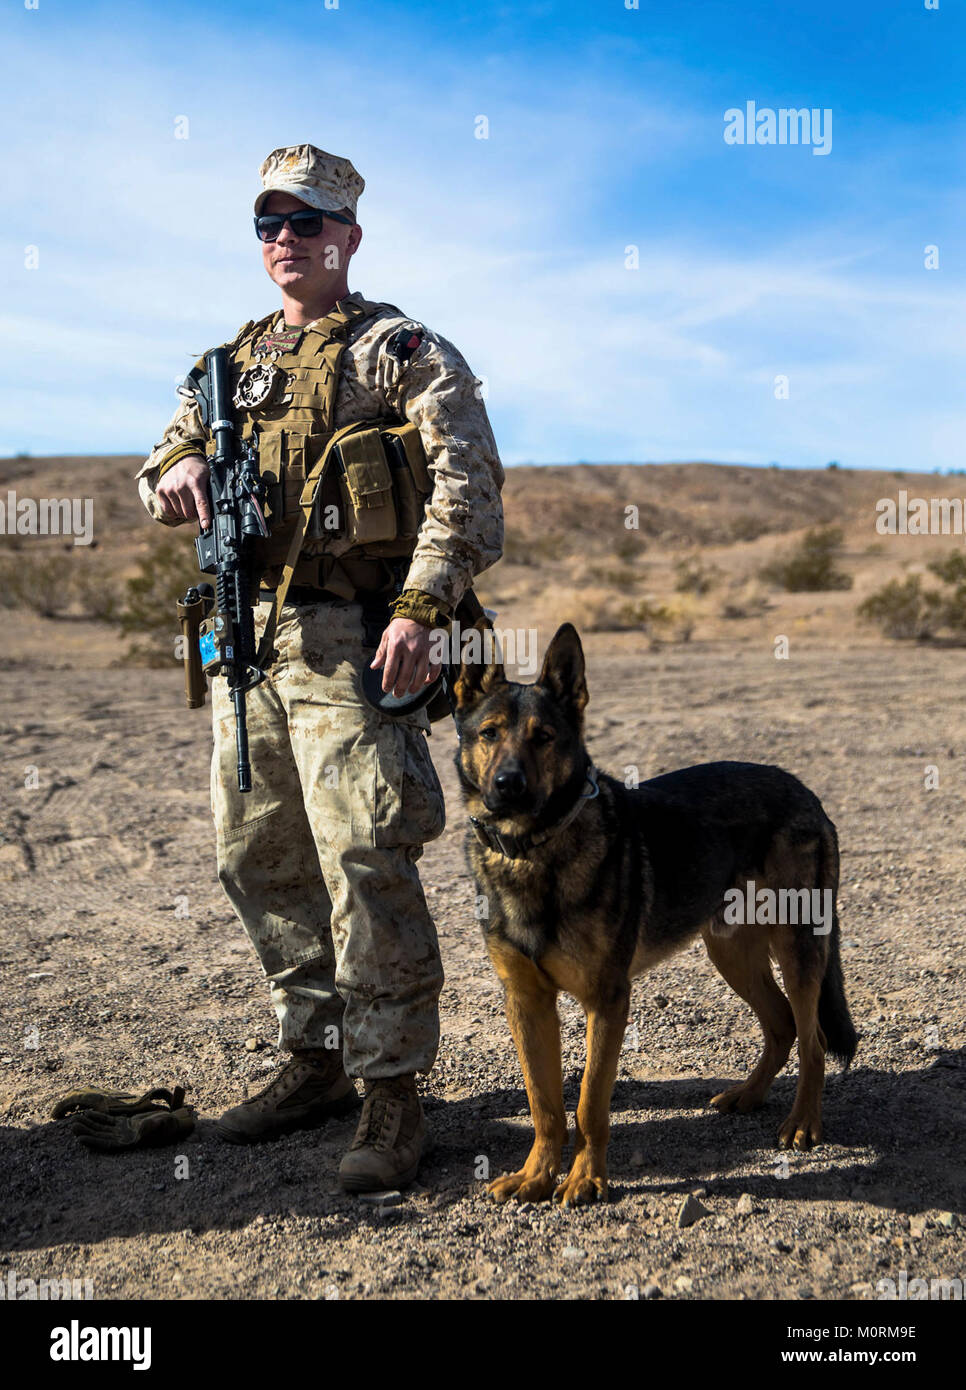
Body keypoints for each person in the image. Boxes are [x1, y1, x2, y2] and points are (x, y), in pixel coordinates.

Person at [135, 143, 504, 1191]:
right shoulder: (226, 366)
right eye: (268, 224)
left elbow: (468, 489)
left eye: (306, 222)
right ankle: (315, 1058)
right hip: (244, 642)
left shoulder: (399, 352)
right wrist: (178, 466)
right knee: (256, 855)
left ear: (347, 234)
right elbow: (158, 455)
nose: (285, 241)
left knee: (365, 857)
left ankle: (393, 1092)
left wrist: (426, 605)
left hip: (353, 638)